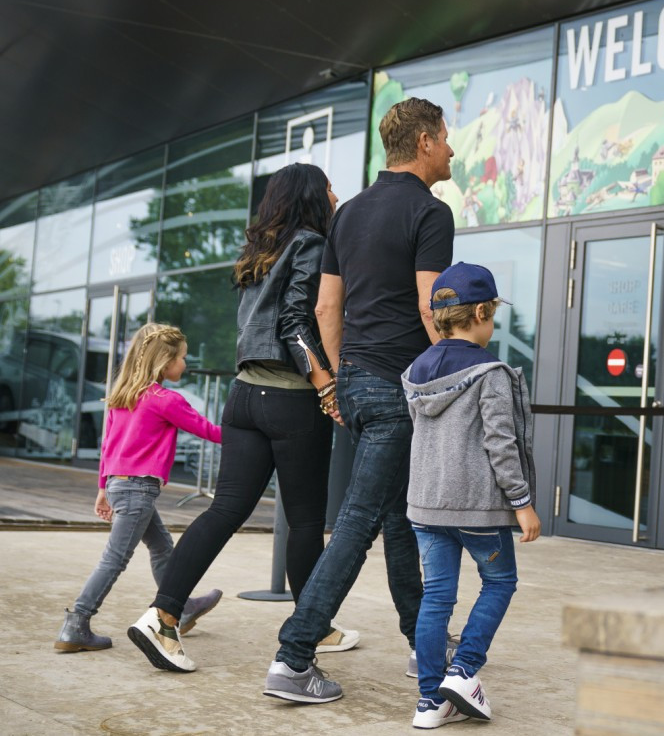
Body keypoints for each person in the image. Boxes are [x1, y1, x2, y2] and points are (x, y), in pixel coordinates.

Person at [264, 97, 456, 704]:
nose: (453, 149)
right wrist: (455, 379)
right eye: (447, 138)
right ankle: (294, 657)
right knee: (357, 522)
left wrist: (340, 381)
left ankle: (420, 641)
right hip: (401, 389)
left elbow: (326, 308)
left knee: (398, 517)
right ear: (425, 141)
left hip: (358, 382)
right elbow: (433, 308)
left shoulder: (346, 215)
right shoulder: (430, 212)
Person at [127, 163, 351, 673]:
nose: (336, 195)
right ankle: (313, 627)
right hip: (292, 399)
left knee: (224, 511)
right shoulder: (311, 245)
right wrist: (326, 384)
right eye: (330, 188)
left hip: (243, 397)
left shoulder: (259, 253)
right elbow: (297, 321)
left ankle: (163, 615)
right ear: (312, 197)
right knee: (306, 522)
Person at [402, 263, 540, 727]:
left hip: (425, 503)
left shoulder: (416, 370)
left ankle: (428, 703)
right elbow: (501, 444)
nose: (494, 322)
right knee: (499, 582)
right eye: (493, 313)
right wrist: (521, 503)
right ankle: (462, 671)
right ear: (480, 311)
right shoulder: (490, 372)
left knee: (436, 597)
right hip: (478, 508)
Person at [54, 323, 223, 653]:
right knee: (114, 559)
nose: (185, 364)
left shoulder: (124, 396)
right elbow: (209, 431)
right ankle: (77, 623)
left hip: (121, 485)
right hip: (138, 491)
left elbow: (109, 446)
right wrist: (251, 431)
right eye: (183, 358)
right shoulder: (166, 400)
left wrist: (103, 488)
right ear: (165, 360)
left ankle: (182, 606)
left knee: (161, 547)